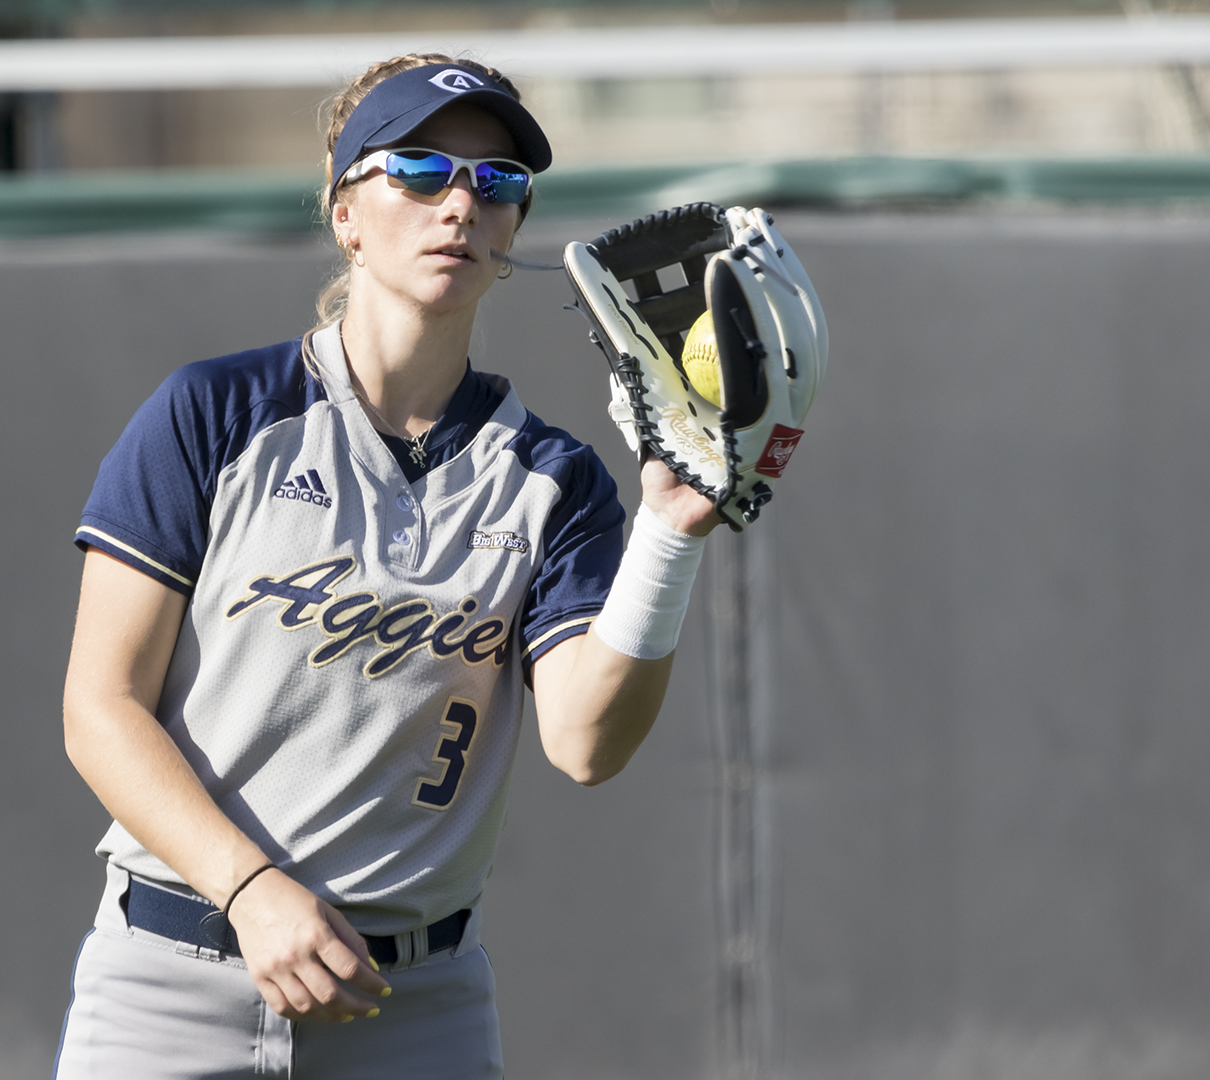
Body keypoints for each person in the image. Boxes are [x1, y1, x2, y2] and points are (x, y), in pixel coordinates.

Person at [54, 53, 721, 1079]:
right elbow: (100, 706)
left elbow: (587, 743)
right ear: (344, 214)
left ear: (512, 232)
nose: (460, 202)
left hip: (413, 1010)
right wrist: (250, 889)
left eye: (495, 183)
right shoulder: (216, 415)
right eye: (419, 170)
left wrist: (668, 530)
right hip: (172, 983)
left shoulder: (553, 478)